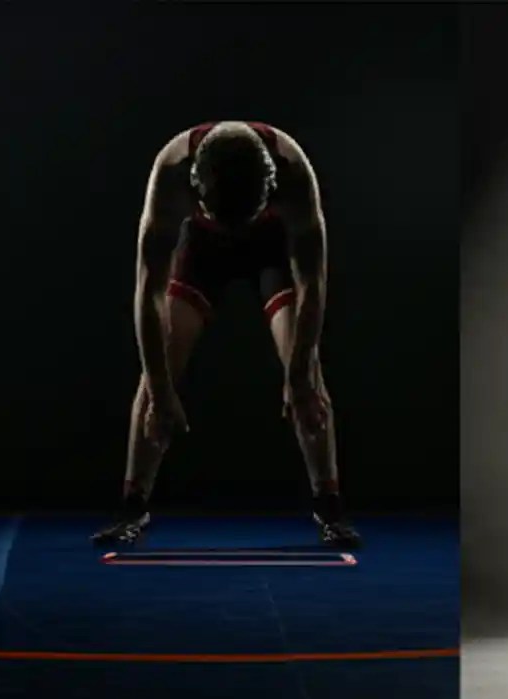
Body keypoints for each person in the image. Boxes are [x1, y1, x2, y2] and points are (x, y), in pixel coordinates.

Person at [91, 121, 361, 549]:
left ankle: (330, 505)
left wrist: (298, 378)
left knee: (305, 368)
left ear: (268, 186)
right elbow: (149, 291)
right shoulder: (171, 171)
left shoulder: (293, 172)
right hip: (203, 250)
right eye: (224, 215)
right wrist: (160, 390)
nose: (236, 227)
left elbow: (313, 284)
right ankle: (132, 505)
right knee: (158, 366)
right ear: (198, 189)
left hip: (272, 249)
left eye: (244, 216)